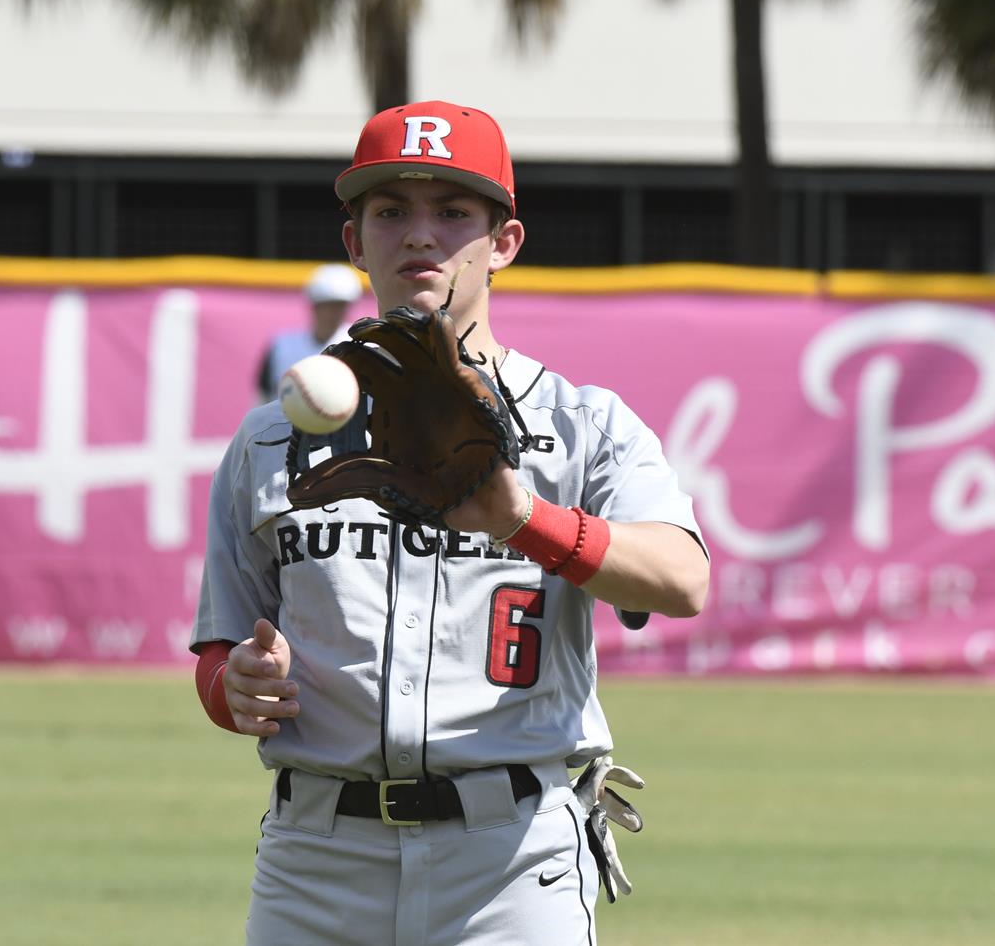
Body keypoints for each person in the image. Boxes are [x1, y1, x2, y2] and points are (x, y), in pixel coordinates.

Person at [191, 100, 710, 945]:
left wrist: (524, 519)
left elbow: (685, 579)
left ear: (503, 241)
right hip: (316, 858)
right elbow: (220, 655)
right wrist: (236, 686)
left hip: (510, 860)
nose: (420, 235)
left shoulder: (582, 424)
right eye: (390, 211)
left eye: (453, 211)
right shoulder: (269, 439)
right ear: (355, 243)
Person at [254, 263, 364, 403]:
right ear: (313, 306)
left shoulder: (360, 345)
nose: (332, 312)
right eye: (326, 305)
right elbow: (262, 397)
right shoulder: (282, 346)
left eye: (339, 305)